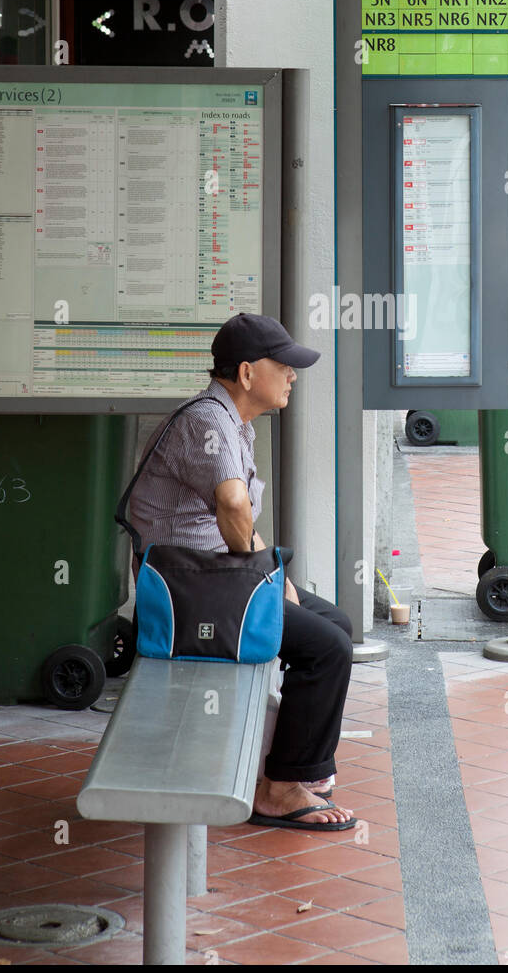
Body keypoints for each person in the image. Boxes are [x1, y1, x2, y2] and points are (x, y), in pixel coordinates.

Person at [128, 312, 356, 832]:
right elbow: (233, 503)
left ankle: (294, 765)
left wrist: (277, 576)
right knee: (327, 649)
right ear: (249, 373)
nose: (294, 375)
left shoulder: (232, 421)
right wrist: (260, 574)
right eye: (286, 366)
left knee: (334, 624)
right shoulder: (207, 422)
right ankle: (278, 790)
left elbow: (239, 519)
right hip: (189, 596)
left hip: (211, 580)